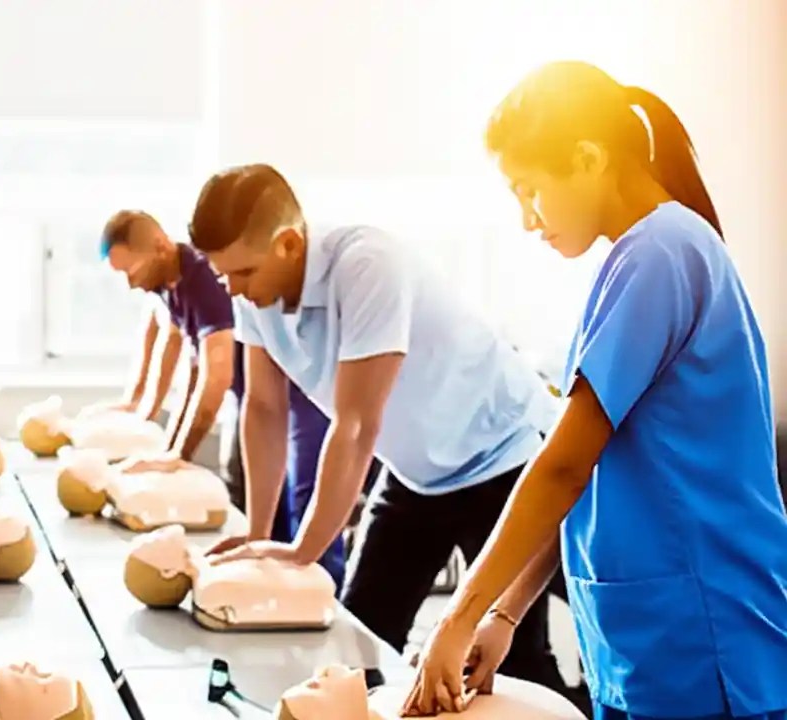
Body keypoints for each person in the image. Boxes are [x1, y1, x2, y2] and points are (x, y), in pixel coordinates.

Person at [403, 61, 787, 720]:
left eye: (530, 191)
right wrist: (504, 613)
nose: (527, 220)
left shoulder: (662, 252)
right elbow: (585, 472)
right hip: (651, 637)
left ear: (588, 158)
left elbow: (563, 466)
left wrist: (455, 619)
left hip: (703, 638)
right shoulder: (641, 258)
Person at [190, 163, 586, 708]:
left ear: (288, 244)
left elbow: (355, 425)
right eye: (222, 277)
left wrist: (304, 549)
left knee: (509, 665)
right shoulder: (253, 294)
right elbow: (262, 409)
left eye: (243, 273)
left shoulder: (366, 264)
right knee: (359, 647)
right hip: (415, 476)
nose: (233, 290)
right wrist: (261, 537)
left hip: (501, 461)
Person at [97, 210, 346, 588]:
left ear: (160, 247)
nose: (131, 284)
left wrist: (178, 456)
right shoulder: (167, 285)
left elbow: (216, 376)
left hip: (301, 395)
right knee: (261, 504)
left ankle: (324, 598)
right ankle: (273, 590)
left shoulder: (202, 278)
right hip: (256, 399)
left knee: (307, 498)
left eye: (132, 271)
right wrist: (148, 420)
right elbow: (180, 358)